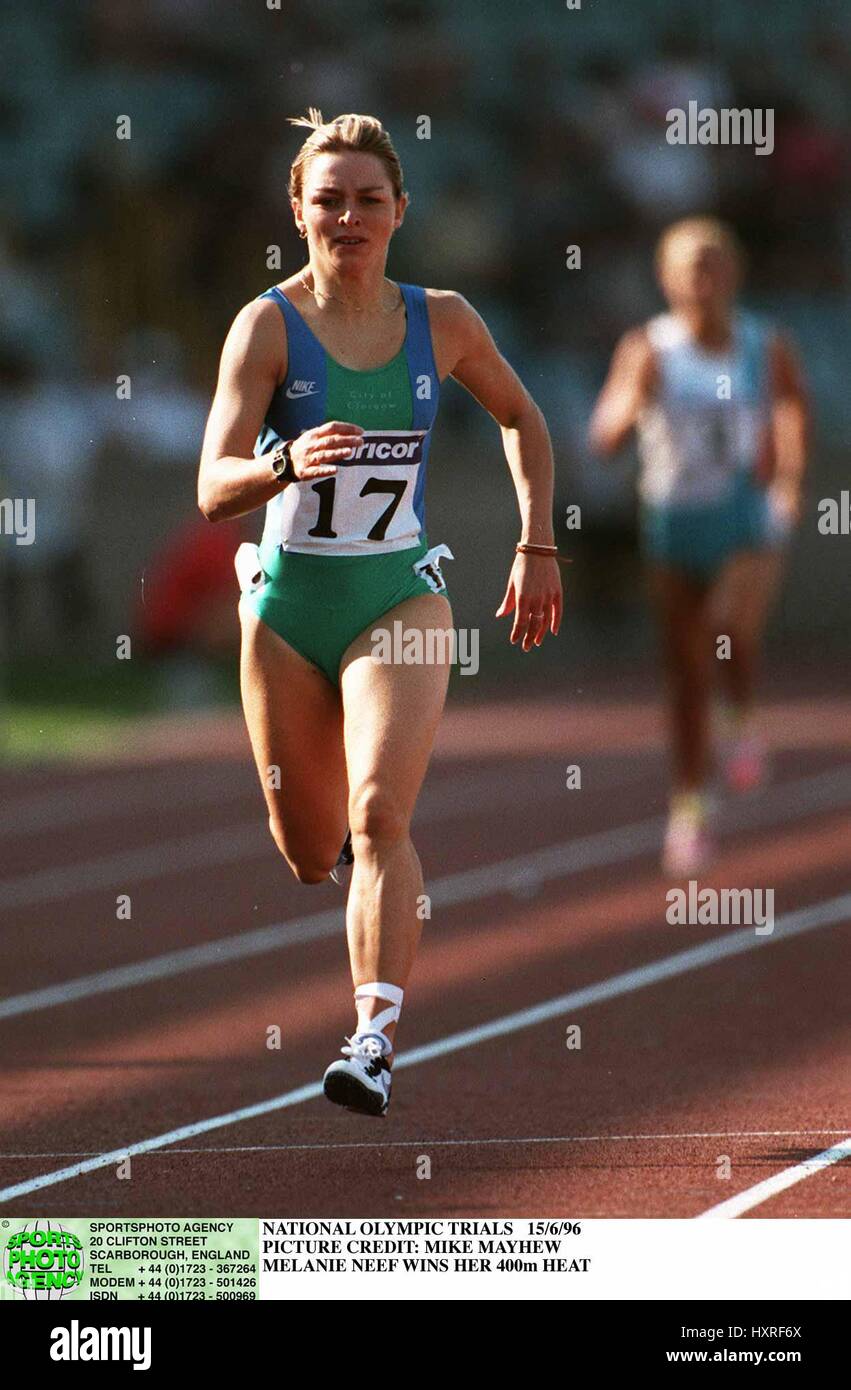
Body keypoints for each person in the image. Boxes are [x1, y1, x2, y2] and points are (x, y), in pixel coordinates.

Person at [197, 110, 563, 1116]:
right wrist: (281, 462)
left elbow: (522, 417)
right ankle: (356, 877)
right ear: (298, 211)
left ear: (399, 211)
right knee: (311, 849)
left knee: (377, 813)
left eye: (367, 200)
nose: (347, 217)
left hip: (398, 595)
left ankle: (371, 1037)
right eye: (328, 200)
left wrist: (536, 541)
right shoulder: (264, 326)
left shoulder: (440, 320)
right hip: (286, 606)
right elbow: (210, 482)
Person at [589, 217, 808, 875]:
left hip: (744, 513)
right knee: (685, 675)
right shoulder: (649, 348)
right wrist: (626, 410)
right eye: (691, 266)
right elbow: (604, 432)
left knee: (727, 627)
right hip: (672, 521)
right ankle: (689, 807)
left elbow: (793, 407)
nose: (704, 278)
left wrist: (791, 482)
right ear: (666, 278)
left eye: (715, 264)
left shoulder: (761, 344)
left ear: (734, 273)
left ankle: (739, 715)